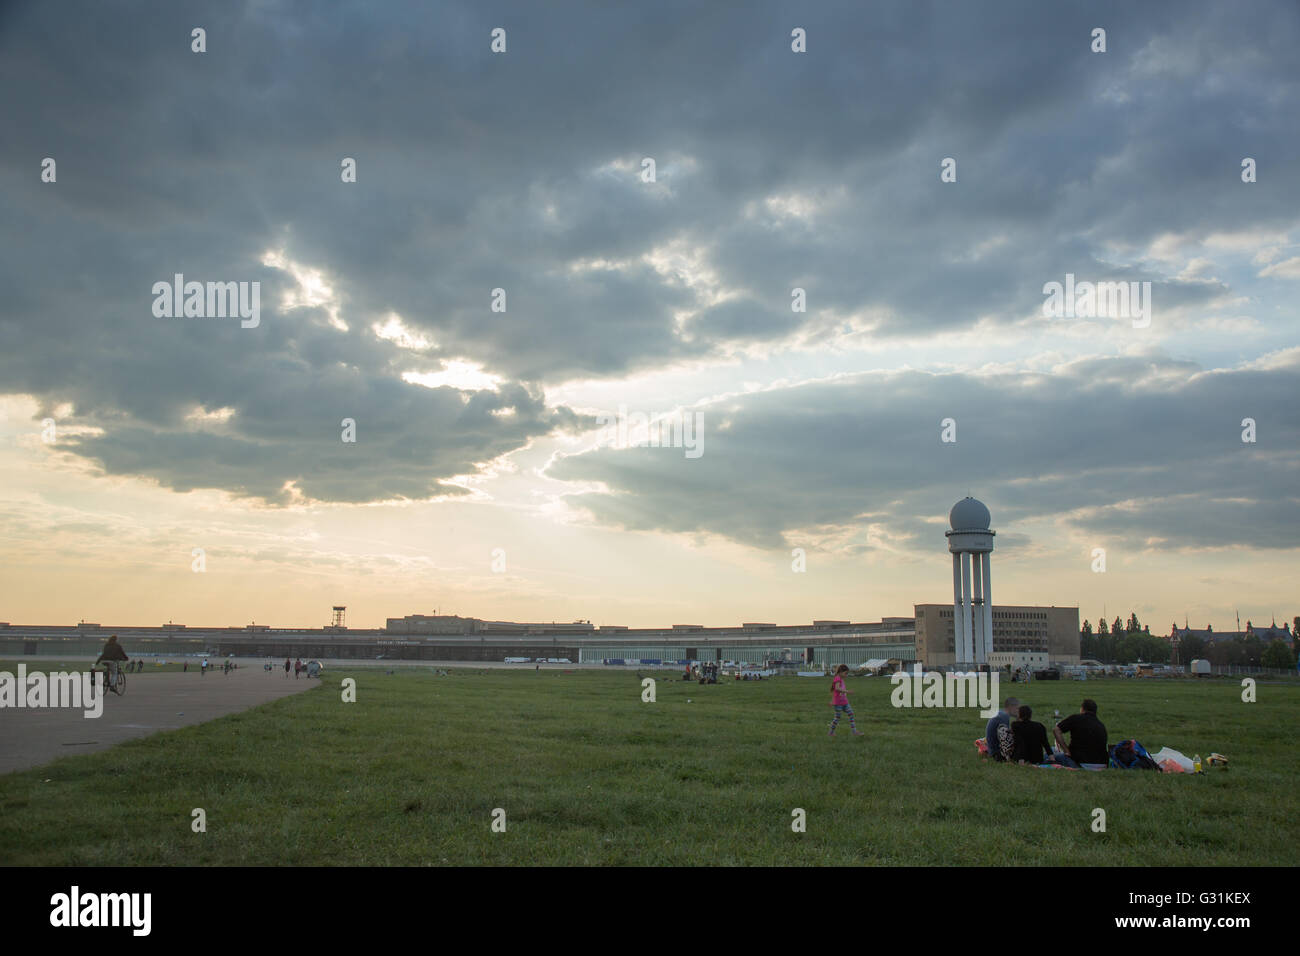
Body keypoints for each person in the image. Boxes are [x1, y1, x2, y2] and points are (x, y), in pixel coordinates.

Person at [1052, 699, 1108, 768]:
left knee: (1048, 756)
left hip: (1080, 763)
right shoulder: (1101, 725)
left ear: (1082, 709)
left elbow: (1056, 730)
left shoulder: (1076, 718)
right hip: (1102, 764)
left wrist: (1066, 750)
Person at [827, 664, 862, 737]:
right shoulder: (837, 678)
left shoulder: (841, 679)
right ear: (840, 672)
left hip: (844, 702)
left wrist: (832, 701)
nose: (846, 675)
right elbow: (837, 688)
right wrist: (847, 691)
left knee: (851, 714)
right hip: (838, 703)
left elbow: (835, 692)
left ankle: (854, 731)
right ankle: (831, 732)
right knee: (837, 718)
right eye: (845, 673)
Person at [984, 697, 1020, 761]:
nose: (1018, 711)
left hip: (992, 750)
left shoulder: (1001, 713)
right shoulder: (1004, 717)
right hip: (997, 753)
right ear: (1011, 707)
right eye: (1017, 708)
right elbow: (1006, 739)